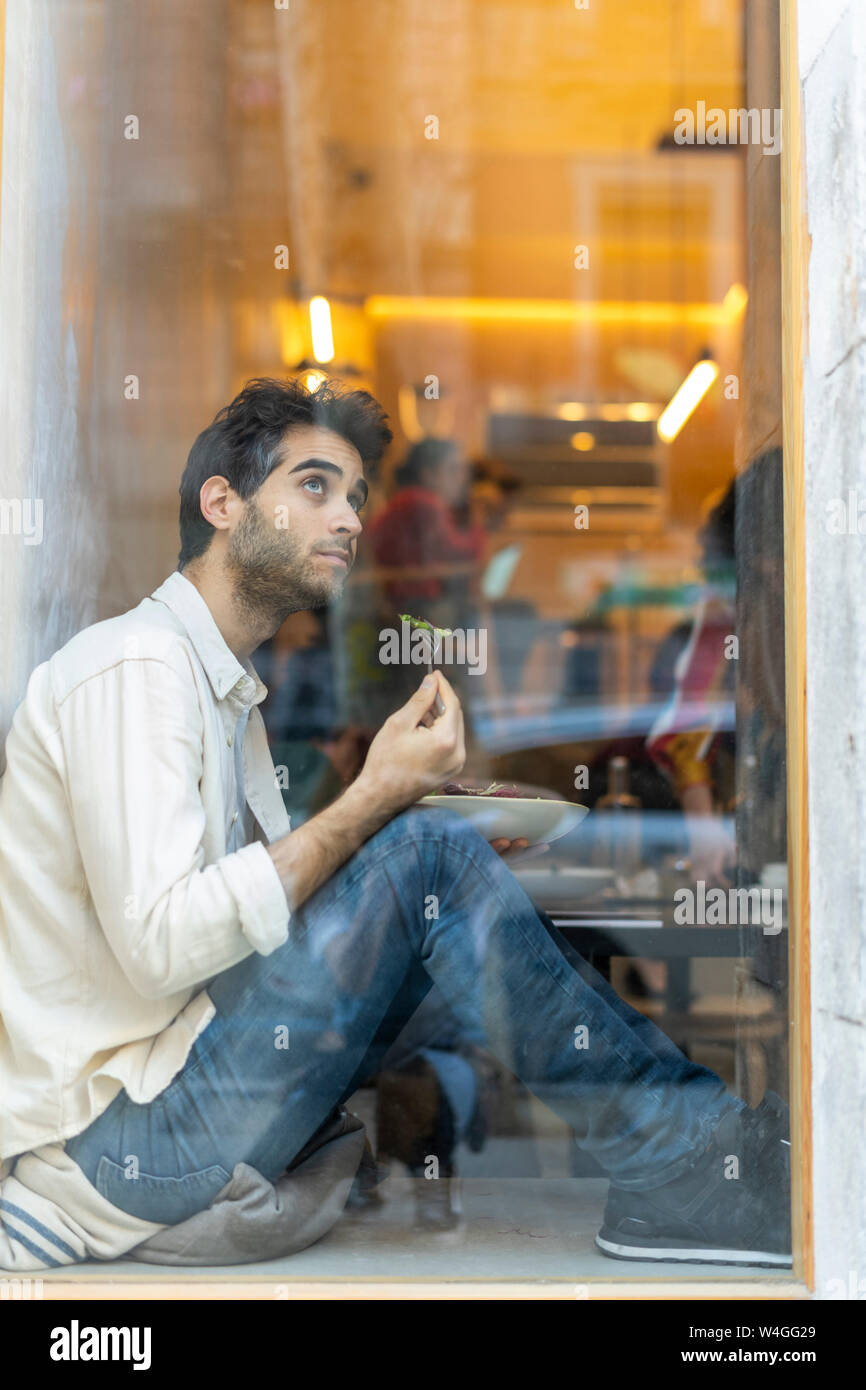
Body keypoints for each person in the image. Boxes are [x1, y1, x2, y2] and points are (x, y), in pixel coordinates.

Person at [0, 378, 790, 1271]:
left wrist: (415, 858)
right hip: (120, 1144)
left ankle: (690, 1147)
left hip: (179, 1096)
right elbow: (159, 946)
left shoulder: (223, 691)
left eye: (354, 496)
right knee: (421, 855)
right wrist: (380, 811)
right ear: (221, 503)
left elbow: (252, 937)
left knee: (430, 865)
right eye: (313, 486)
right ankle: (686, 1165)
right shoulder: (136, 668)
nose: (346, 518)